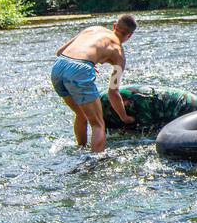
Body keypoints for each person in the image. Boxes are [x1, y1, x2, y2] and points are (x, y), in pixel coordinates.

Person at [51, 15, 136, 154]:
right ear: (130, 35)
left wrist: (88, 61)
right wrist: (124, 117)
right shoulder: (119, 53)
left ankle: (80, 150)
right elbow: (113, 92)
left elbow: (59, 52)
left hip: (58, 67)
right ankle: (95, 163)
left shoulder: (93, 29)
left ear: (115, 26)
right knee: (98, 124)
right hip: (80, 70)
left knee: (81, 114)